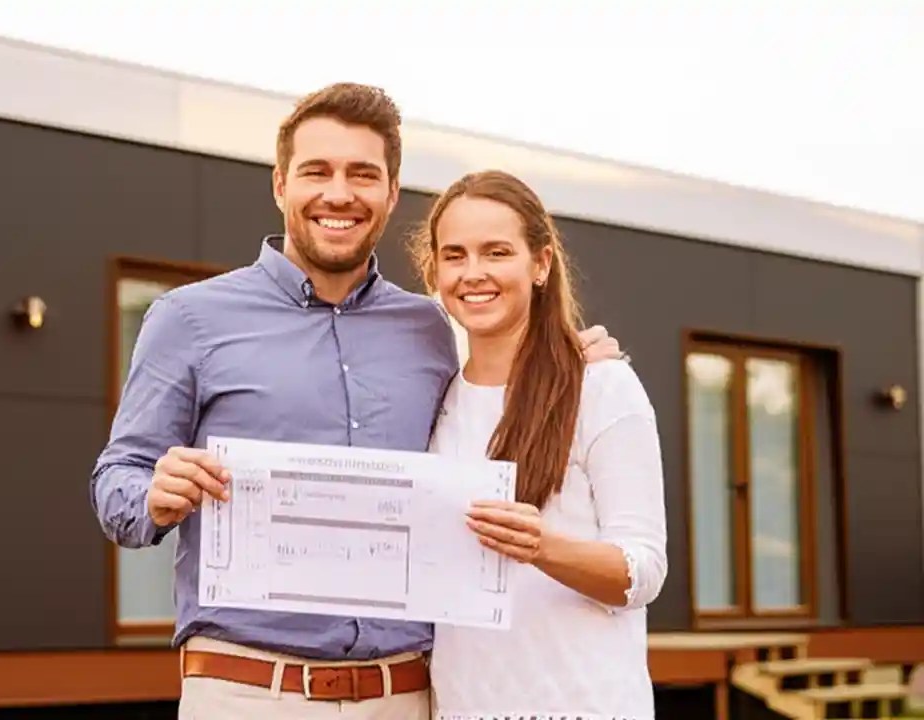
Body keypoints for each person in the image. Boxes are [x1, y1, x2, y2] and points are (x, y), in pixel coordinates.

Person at [90, 83, 621, 719]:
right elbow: (115, 483)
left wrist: (570, 361)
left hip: (404, 696)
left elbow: (503, 378)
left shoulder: (434, 330)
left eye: (363, 174)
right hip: (248, 695)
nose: (339, 194)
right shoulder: (188, 319)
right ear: (280, 185)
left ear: (391, 193)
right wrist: (153, 493)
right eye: (317, 171)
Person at [411, 169, 667, 719]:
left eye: (496, 252)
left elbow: (643, 570)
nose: (473, 273)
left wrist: (541, 546)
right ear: (435, 271)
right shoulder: (433, 399)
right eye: (455, 256)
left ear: (541, 263)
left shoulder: (602, 386)